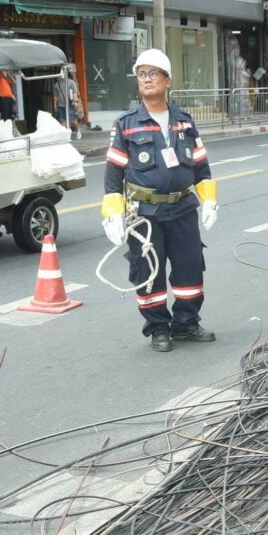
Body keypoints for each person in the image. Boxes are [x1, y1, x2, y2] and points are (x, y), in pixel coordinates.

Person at [102, 49, 219, 352]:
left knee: (189, 269)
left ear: (168, 80)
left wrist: (209, 201)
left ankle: (186, 323)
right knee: (148, 273)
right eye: (141, 74)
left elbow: (201, 168)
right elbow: (113, 176)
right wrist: (112, 215)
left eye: (153, 73)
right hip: (146, 214)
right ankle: (158, 328)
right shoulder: (126, 124)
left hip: (183, 208)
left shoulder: (184, 121)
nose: (146, 79)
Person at [54, 64, 83, 139]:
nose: (62, 73)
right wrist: (55, 106)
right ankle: (66, 136)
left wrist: (76, 102)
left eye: (64, 71)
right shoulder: (56, 85)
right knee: (62, 121)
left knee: (72, 121)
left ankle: (78, 130)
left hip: (70, 104)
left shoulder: (71, 82)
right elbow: (55, 96)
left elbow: (74, 93)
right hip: (61, 105)